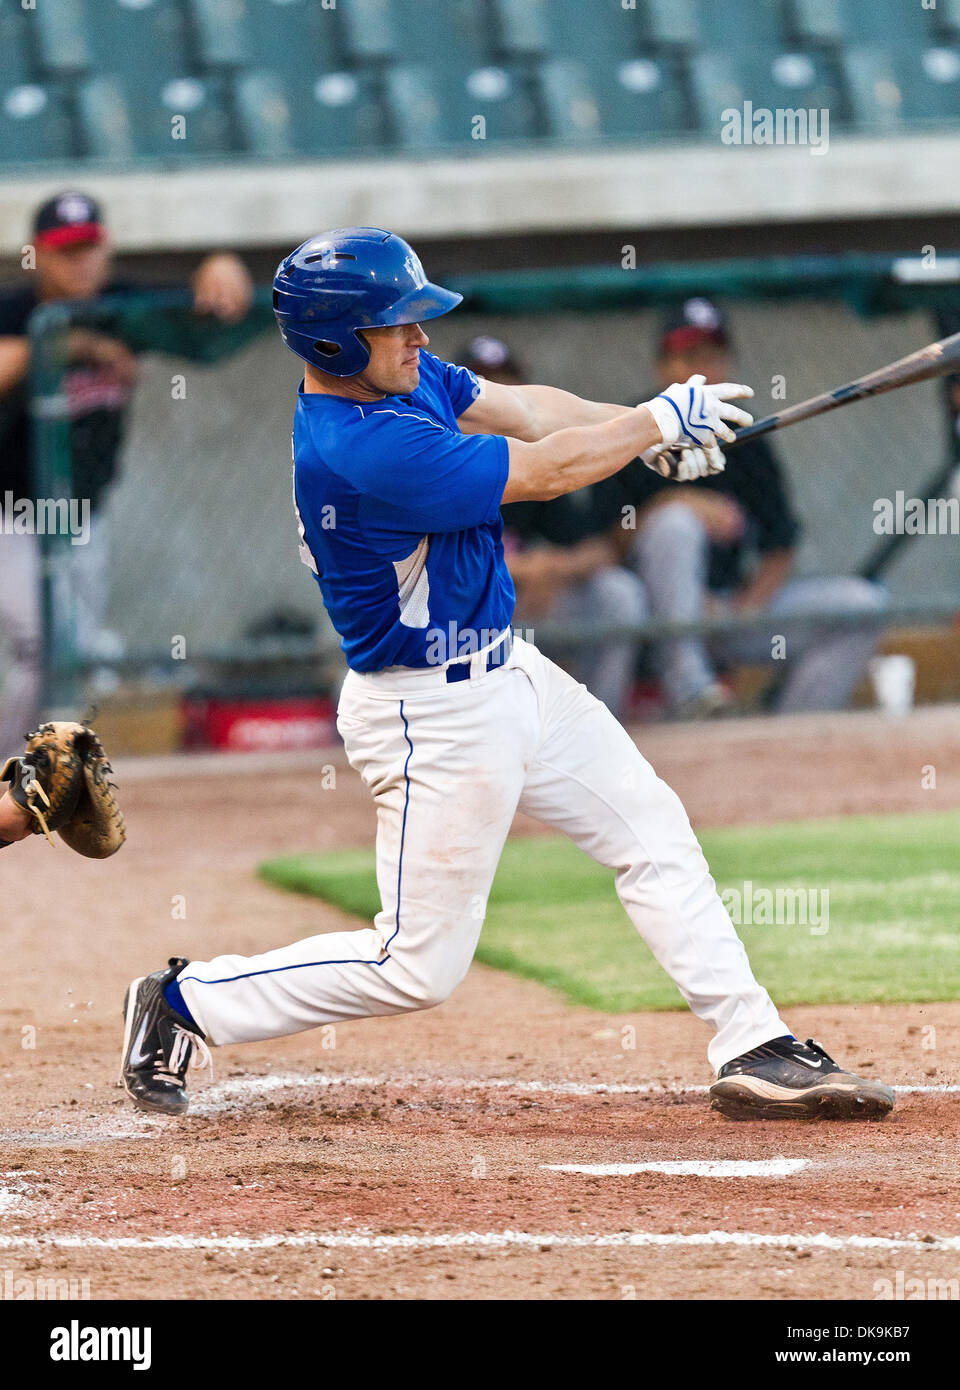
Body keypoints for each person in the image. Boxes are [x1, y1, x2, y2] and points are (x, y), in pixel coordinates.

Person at [119, 228, 894, 1123]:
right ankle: (185, 1002)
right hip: (428, 715)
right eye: (399, 325)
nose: (419, 339)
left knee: (652, 829)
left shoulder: (399, 382)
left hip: (512, 672)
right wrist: (649, 426)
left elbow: (529, 410)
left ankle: (751, 1042)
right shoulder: (359, 452)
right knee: (417, 966)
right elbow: (540, 471)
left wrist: (647, 434)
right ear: (336, 341)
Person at [0, 191, 253, 750]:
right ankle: (17, 766)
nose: (81, 262)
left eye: (90, 248)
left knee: (73, 654)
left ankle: (41, 765)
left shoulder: (123, 303)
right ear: (36, 255)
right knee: (42, 646)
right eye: (65, 251)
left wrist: (220, 264)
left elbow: (198, 309)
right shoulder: (14, 310)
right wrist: (71, 342)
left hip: (85, 510)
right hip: (10, 513)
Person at [618, 298, 886, 719]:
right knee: (674, 525)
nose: (702, 370)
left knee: (862, 605)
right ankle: (688, 683)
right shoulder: (628, 430)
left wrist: (745, 608)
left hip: (722, 617)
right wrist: (677, 503)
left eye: (713, 355)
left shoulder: (746, 435)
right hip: (644, 622)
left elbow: (780, 544)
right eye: (688, 356)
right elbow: (600, 545)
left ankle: (791, 739)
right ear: (662, 368)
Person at [462, 335, 644, 719]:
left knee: (618, 593)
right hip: (459, 624)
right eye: (489, 387)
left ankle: (598, 719)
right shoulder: (441, 460)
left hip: (532, 610)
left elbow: (600, 550)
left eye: (509, 387)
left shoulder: (532, 460)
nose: (500, 402)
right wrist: (524, 571)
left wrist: (555, 566)